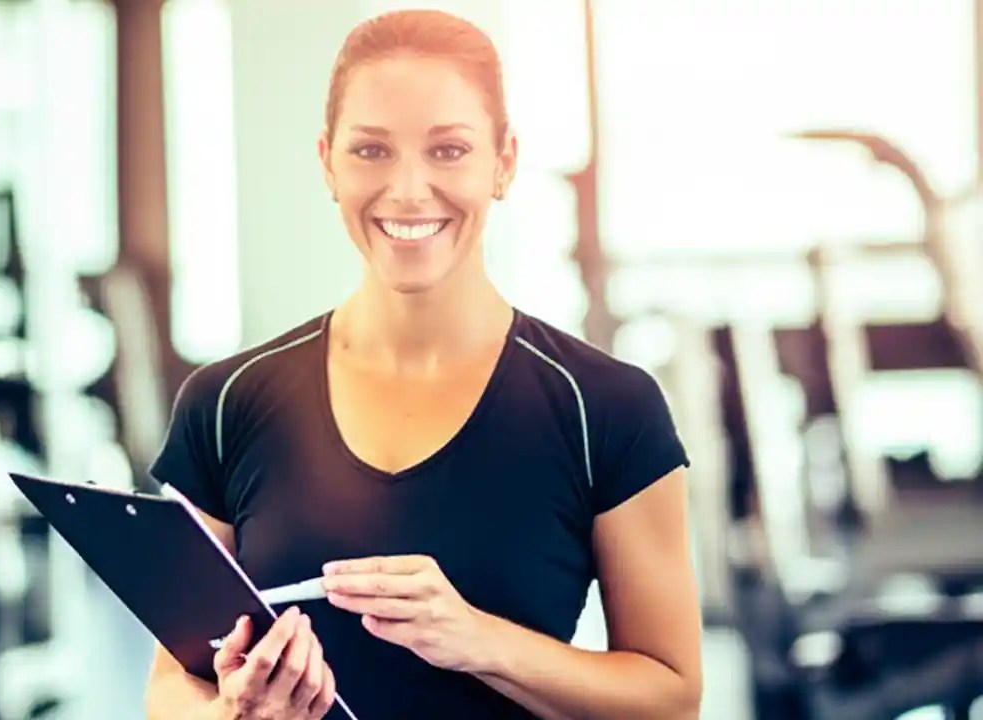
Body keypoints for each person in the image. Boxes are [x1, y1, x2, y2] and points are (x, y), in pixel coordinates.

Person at [144, 8, 703, 720]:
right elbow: (170, 689)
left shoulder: (606, 408)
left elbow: (671, 700)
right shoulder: (225, 403)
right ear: (328, 163)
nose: (408, 190)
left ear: (503, 162)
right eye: (372, 151)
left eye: (448, 151)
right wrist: (232, 715)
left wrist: (477, 640)